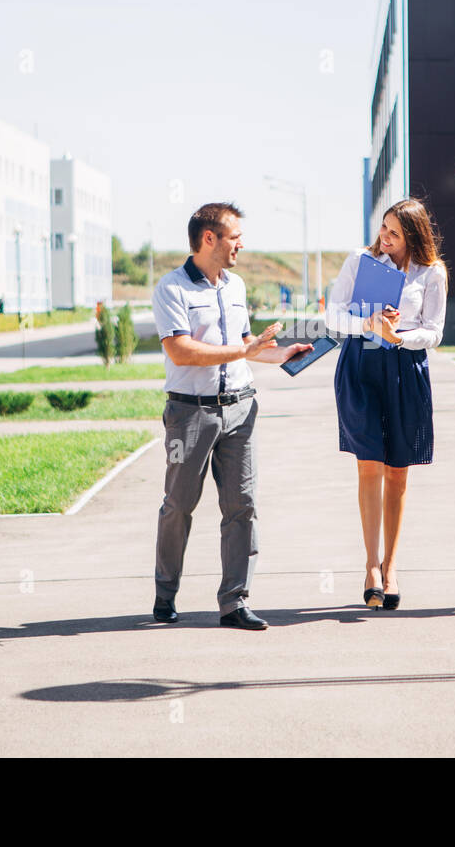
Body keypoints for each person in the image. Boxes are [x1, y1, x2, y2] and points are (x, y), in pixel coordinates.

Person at [150, 202, 312, 630]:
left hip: (241, 408)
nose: (241, 243)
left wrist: (281, 354)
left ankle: (234, 602)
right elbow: (181, 350)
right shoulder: (172, 288)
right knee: (179, 506)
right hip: (190, 413)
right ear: (210, 239)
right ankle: (165, 594)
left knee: (243, 506)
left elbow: (245, 343)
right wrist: (247, 349)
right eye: (234, 236)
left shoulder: (235, 286)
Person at [326, 198, 447, 610]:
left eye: (395, 233)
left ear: (414, 236)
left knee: (398, 472)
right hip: (361, 366)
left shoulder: (431, 272)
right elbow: (332, 316)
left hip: (404, 368)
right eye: (384, 229)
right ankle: (370, 567)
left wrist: (401, 336)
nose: (386, 238)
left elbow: (434, 331)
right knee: (368, 466)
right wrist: (368, 324)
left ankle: (391, 567)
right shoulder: (360, 261)